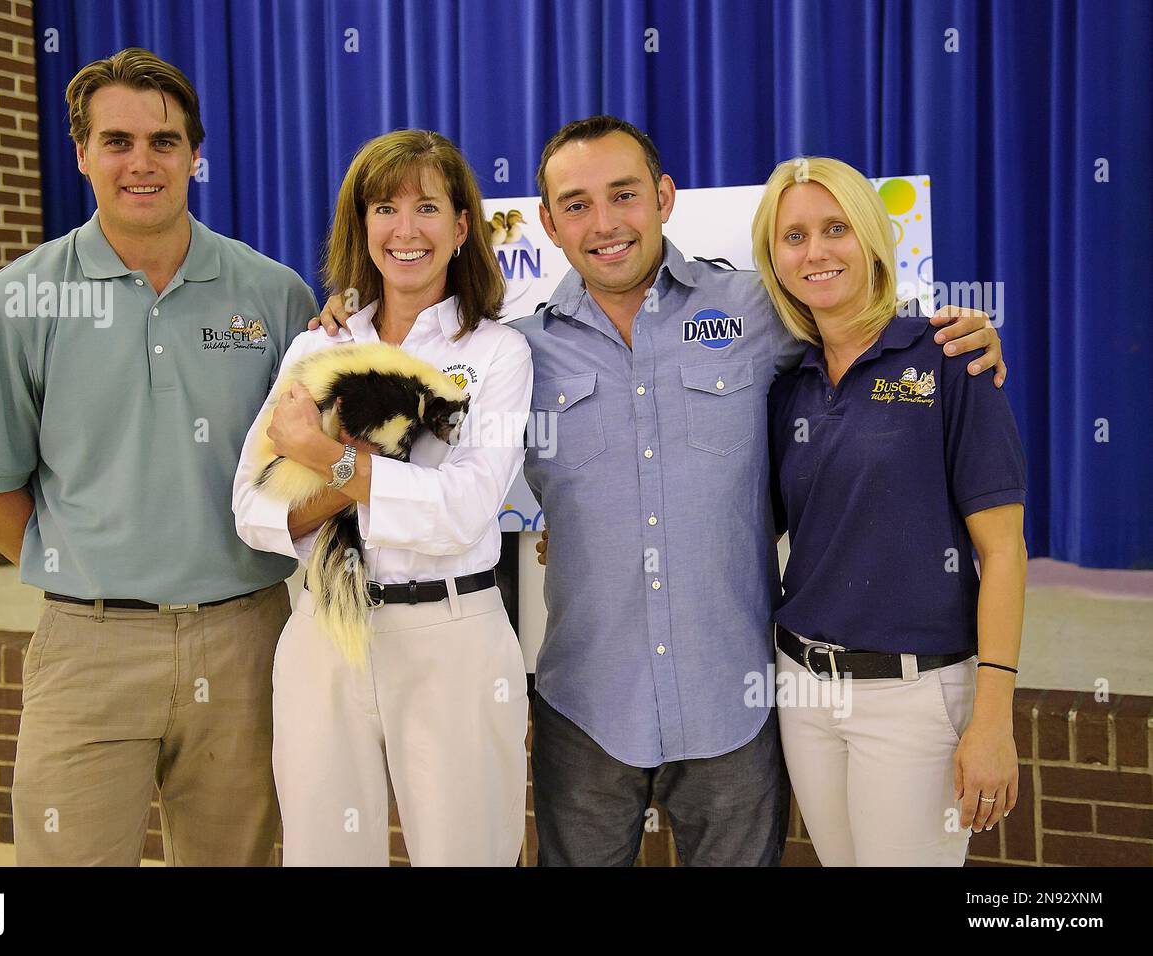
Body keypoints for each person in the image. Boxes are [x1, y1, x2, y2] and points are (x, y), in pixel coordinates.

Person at [313, 115, 1003, 866]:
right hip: (585, 707)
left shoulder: (757, 309)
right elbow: (419, 351)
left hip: (734, 704)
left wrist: (953, 332)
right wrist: (348, 318)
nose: (604, 223)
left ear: (664, 196)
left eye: (624, 195)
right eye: (576, 205)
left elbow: (857, 325)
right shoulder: (514, 347)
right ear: (546, 222)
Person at [0, 48, 317, 865]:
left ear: (195, 153)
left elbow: (308, 467)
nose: (141, 162)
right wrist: (90, 567)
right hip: (87, 648)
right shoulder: (17, 302)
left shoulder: (273, 296)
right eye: (117, 141)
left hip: (247, 640)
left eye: (163, 141)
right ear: (81, 153)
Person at [232, 129, 532, 866]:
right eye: (384, 208)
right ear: (360, 227)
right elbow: (252, 509)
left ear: (462, 228)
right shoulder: (314, 350)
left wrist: (323, 456)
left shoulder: (497, 353)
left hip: (452, 634)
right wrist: (355, 470)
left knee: (468, 851)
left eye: (428, 208)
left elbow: (463, 510)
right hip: (324, 633)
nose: (406, 230)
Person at [756, 156, 1026, 865]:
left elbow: (1003, 552)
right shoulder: (790, 387)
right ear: (773, 260)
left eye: (835, 228)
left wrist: (994, 717)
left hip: (915, 697)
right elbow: (747, 522)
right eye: (794, 237)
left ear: (873, 238)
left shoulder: (948, 356)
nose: (816, 251)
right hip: (804, 691)